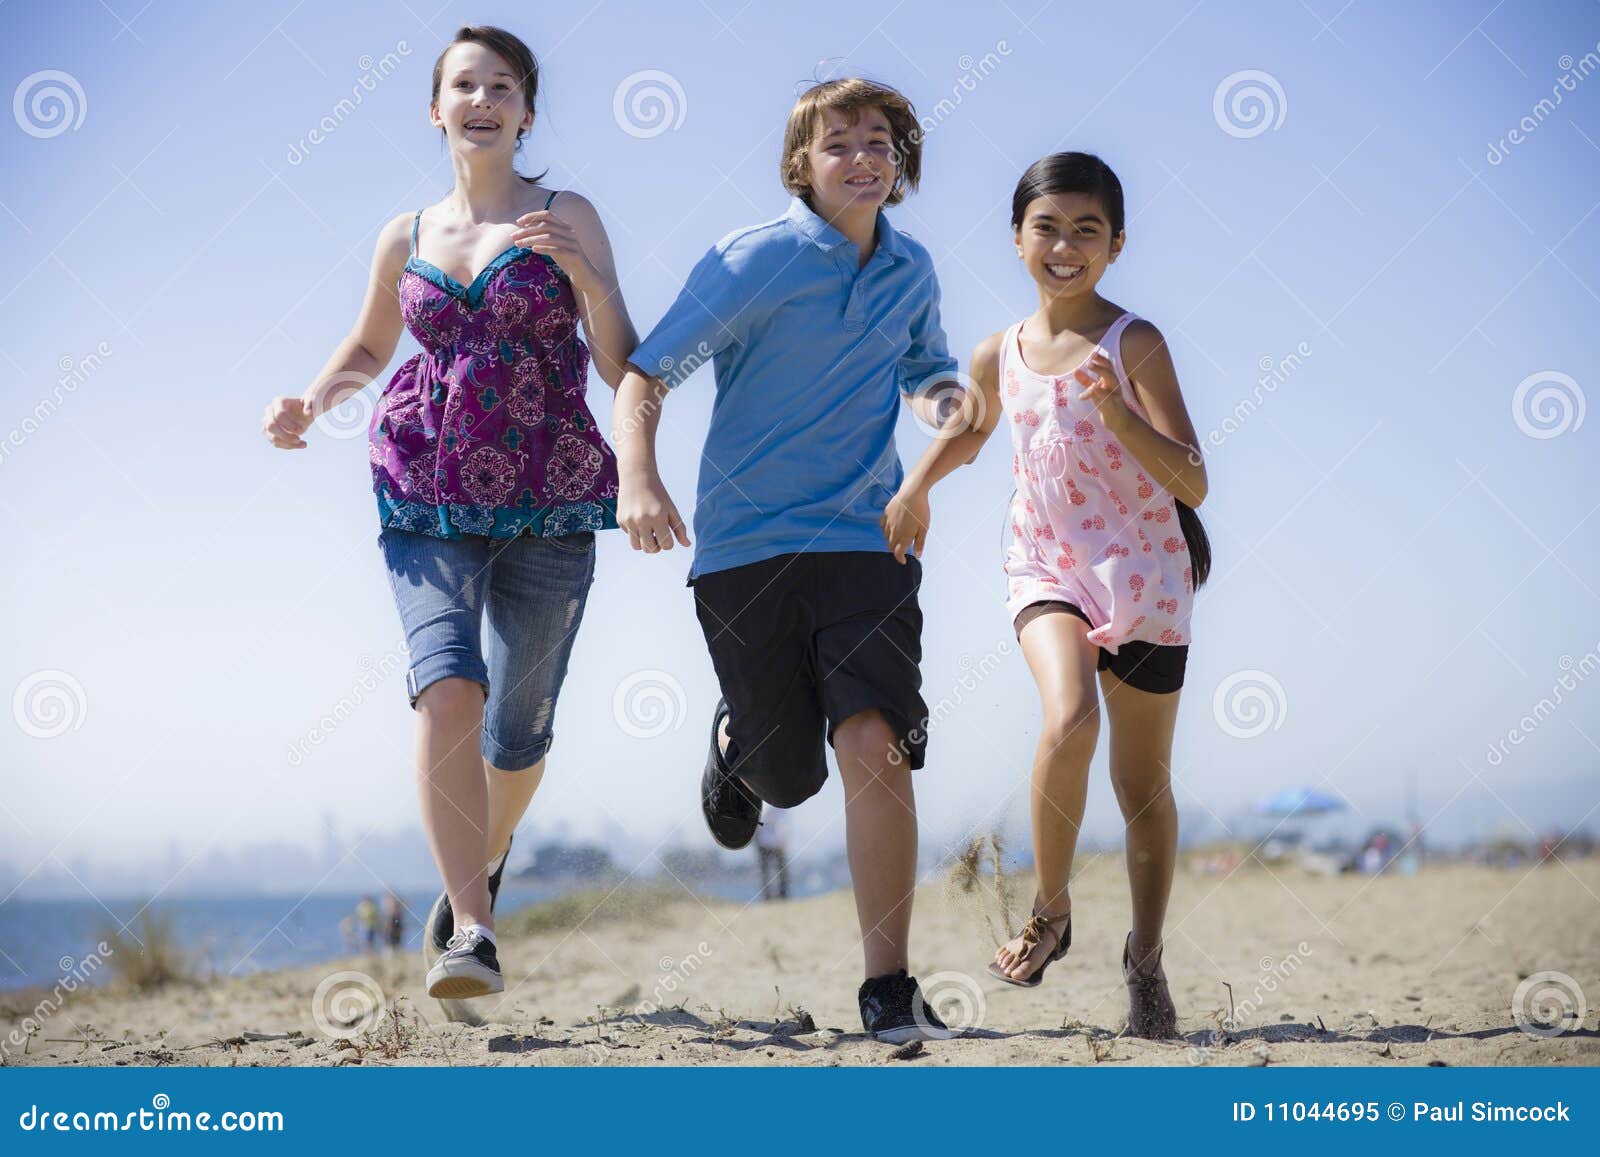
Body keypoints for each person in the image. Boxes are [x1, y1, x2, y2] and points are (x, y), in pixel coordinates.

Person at [261, 26, 635, 1000]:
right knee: (448, 688)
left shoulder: (568, 213)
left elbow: (620, 357)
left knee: (518, 732)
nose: (481, 97)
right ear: (436, 109)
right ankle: (470, 927)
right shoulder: (406, 233)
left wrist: (584, 276)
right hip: (421, 484)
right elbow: (367, 344)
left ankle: (488, 853)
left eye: (501, 84)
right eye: (463, 83)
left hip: (550, 493)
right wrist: (310, 400)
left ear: (526, 110)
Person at [614, 78, 958, 1044]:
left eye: (880, 141)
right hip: (746, 551)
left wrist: (946, 407)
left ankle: (887, 983)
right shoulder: (753, 260)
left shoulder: (911, 269)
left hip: (866, 541)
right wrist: (637, 478)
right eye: (838, 141)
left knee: (874, 744)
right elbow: (646, 375)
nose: (862, 156)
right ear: (800, 165)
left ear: (902, 161)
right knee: (791, 775)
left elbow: (924, 369)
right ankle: (738, 746)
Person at [882, 152, 1212, 1039]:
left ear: (1116, 245)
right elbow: (969, 433)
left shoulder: (1134, 342)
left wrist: (1119, 416)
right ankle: (1052, 909)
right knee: (1069, 716)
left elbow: (1193, 481)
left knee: (1143, 788)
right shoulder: (1000, 351)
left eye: (1086, 230)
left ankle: (1144, 958)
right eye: (1048, 227)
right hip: (1046, 567)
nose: (1065, 246)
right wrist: (915, 489)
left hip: (1145, 576)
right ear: (1018, 238)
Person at [755, 805, 791, 901]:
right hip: (766, 842)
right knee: (765, 871)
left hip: (776, 842)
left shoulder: (777, 806)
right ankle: (768, 896)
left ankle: (781, 895)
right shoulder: (770, 805)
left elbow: (783, 823)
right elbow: (761, 821)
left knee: (778, 871)